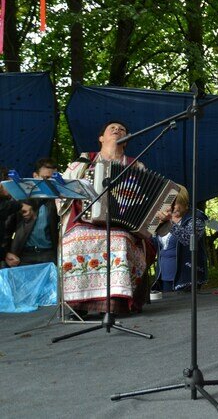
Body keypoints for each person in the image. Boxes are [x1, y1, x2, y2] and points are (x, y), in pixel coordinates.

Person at [59, 121, 154, 315]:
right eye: (112, 128)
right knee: (75, 240)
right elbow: (62, 190)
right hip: (84, 222)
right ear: (101, 138)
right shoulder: (84, 161)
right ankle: (77, 306)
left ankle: (112, 305)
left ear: (126, 141)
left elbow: (146, 200)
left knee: (119, 240)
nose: (117, 130)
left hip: (122, 226)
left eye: (122, 129)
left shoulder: (136, 165)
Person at [152, 185, 208, 292]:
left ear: (185, 202)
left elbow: (188, 239)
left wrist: (169, 223)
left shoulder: (196, 217)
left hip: (188, 278)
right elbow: (155, 244)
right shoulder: (162, 219)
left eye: (177, 203)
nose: (174, 207)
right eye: (170, 203)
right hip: (164, 276)